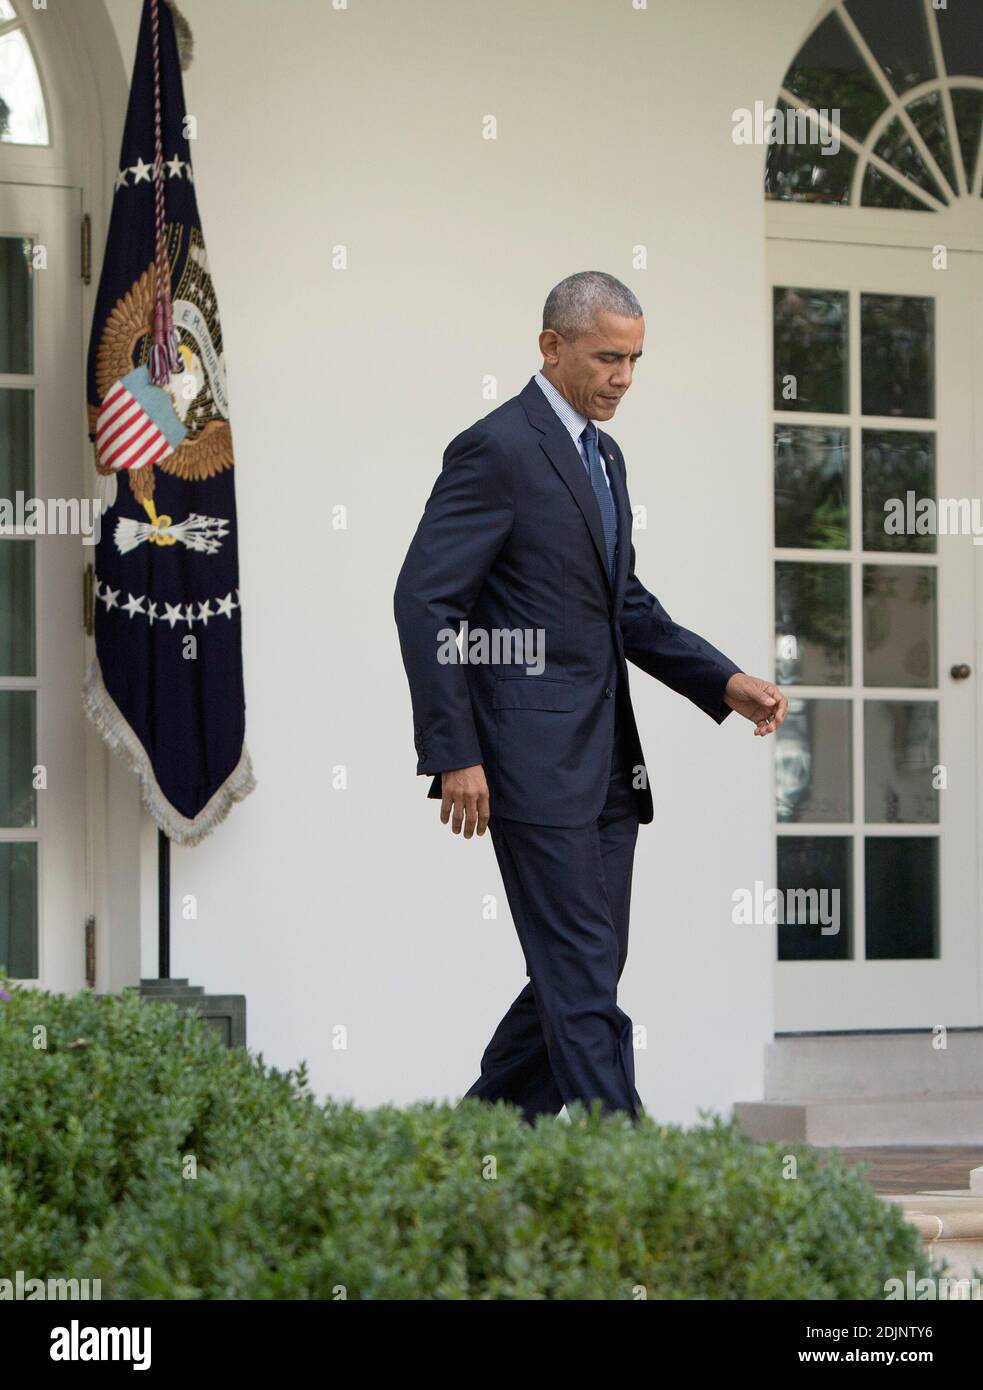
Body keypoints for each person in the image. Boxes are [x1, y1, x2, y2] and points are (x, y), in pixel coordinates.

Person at [393, 271, 787, 1123]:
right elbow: (425, 602)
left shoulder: (604, 457)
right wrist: (453, 750)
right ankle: (635, 1177)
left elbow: (624, 609)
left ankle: (462, 1151)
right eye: (608, 357)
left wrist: (722, 681)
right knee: (581, 979)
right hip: (527, 765)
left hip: (608, 767)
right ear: (550, 346)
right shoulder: (495, 449)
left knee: (580, 973)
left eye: (635, 360)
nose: (623, 378)